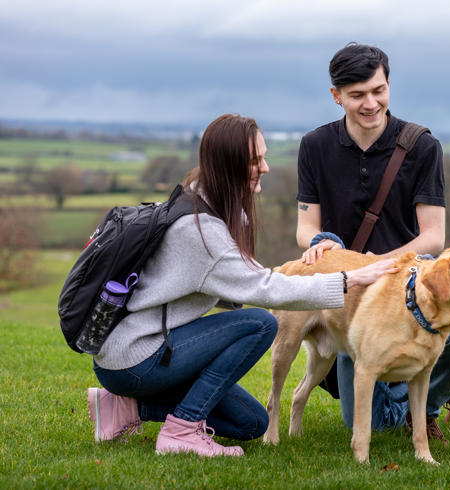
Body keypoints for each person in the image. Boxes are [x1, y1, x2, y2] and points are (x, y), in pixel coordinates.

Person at [86, 114, 397, 457]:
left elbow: (233, 280)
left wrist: (318, 249)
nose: (264, 167)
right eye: (254, 160)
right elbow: (262, 288)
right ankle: (183, 431)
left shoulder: (206, 202)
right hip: (135, 355)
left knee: (250, 423)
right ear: (227, 164)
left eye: (263, 157)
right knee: (260, 323)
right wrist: (346, 280)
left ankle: (125, 408)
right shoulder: (202, 230)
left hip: (145, 350)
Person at [295, 42, 450, 438]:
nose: (370, 103)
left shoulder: (422, 147)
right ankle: (405, 384)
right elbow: (305, 228)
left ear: (389, 85)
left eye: (378, 90)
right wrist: (323, 244)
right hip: (351, 295)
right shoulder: (315, 146)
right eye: (357, 95)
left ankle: (426, 406)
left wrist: (383, 264)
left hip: (410, 283)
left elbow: (433, 236)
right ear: (336, 96)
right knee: (369, 424)